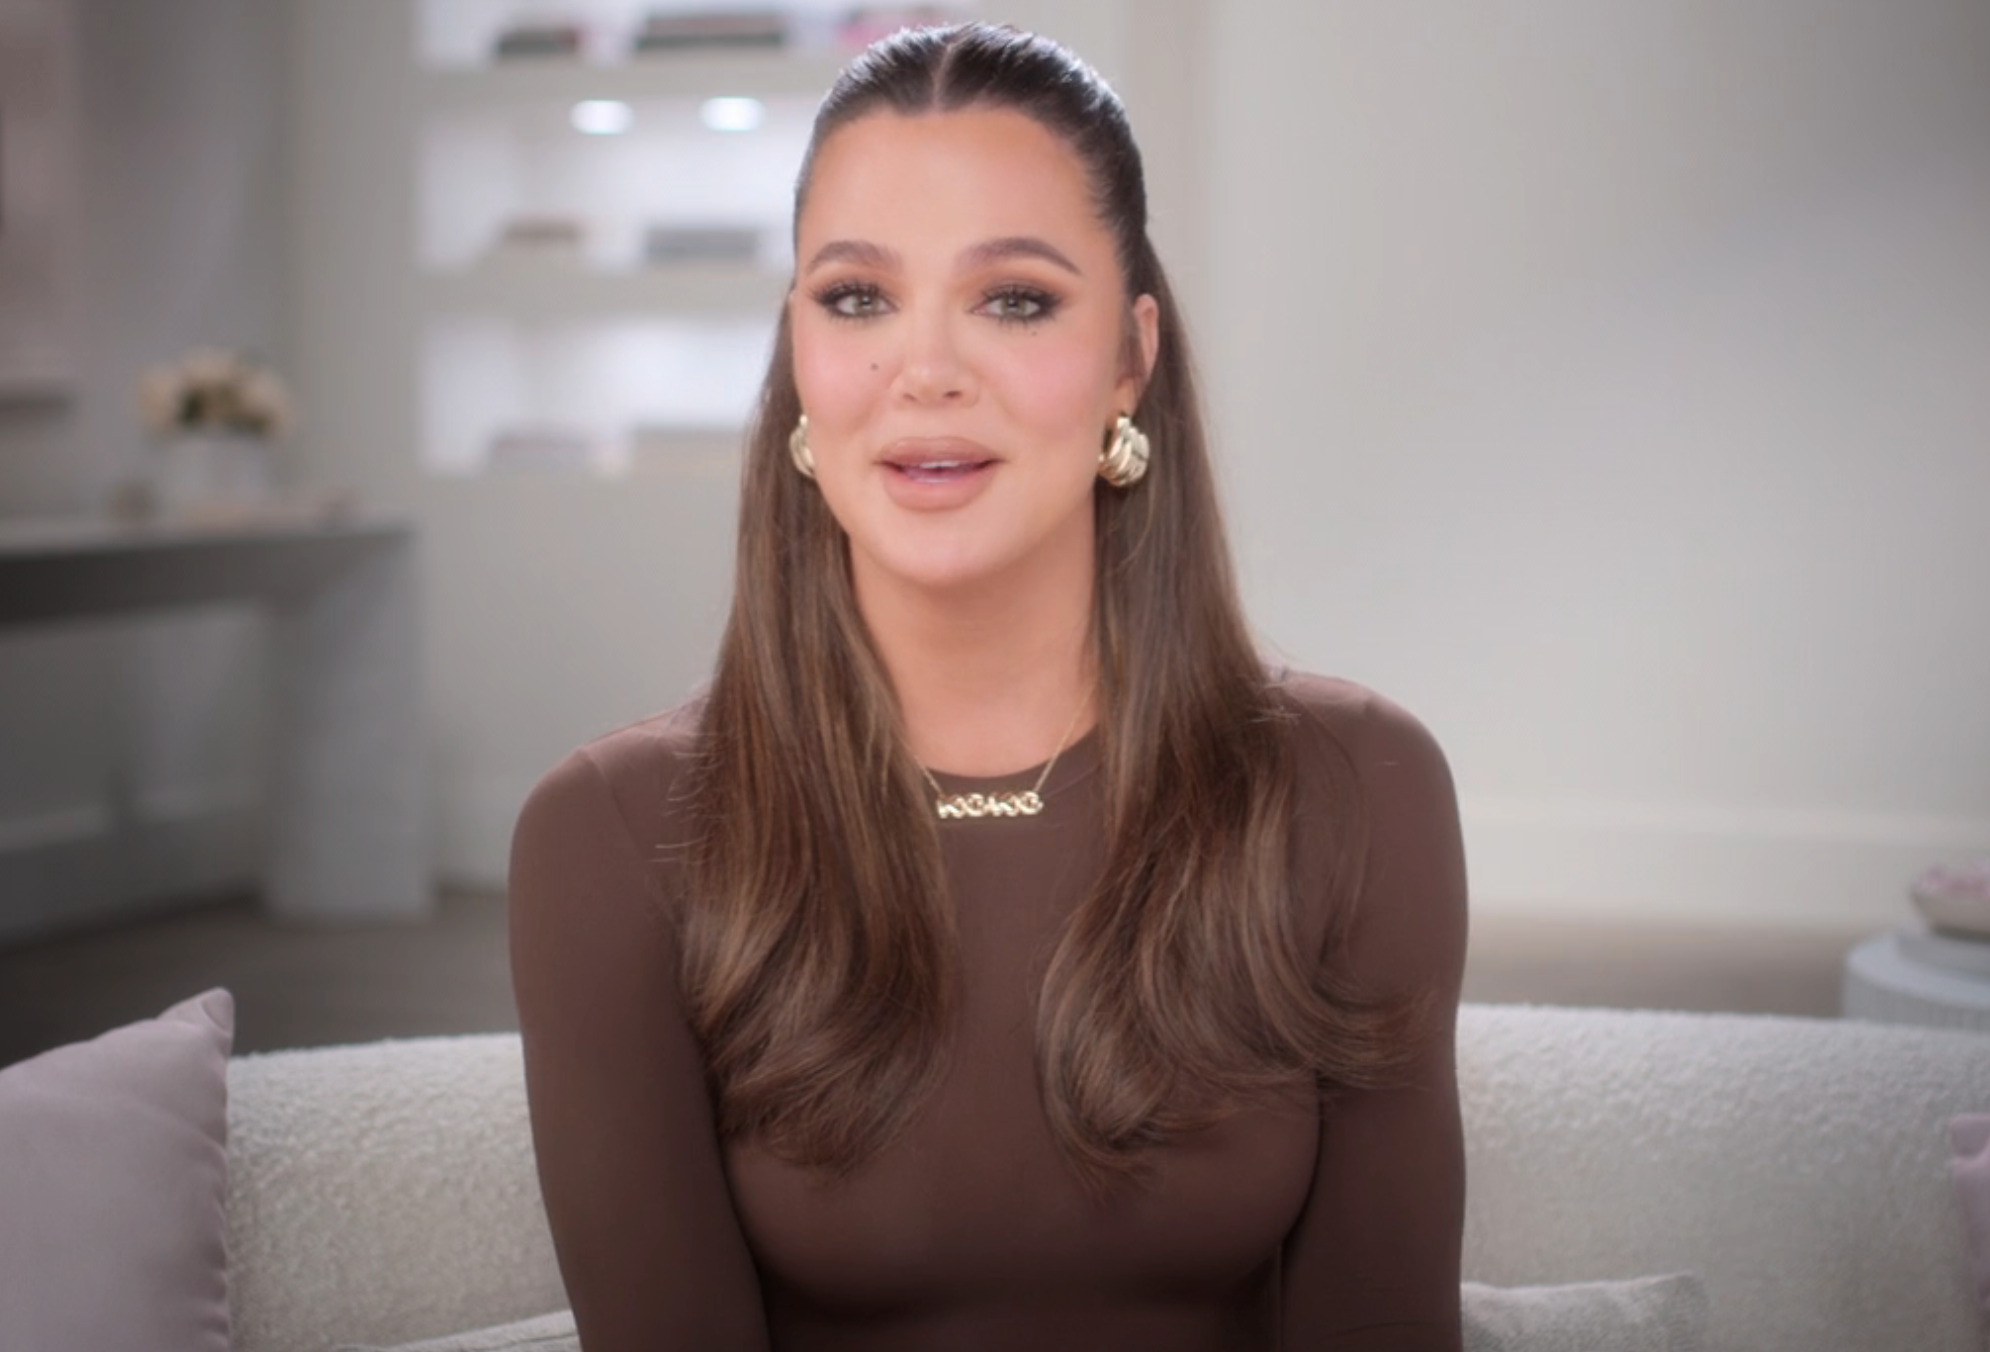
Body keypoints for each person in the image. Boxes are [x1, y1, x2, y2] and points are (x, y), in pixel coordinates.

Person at [509, 21, 1467, 1351]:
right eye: (857, 298)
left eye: (1012, 298)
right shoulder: (609, 837)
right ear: (796, 353)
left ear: (1130, 355)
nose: (925, 373)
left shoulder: (1360, 787)